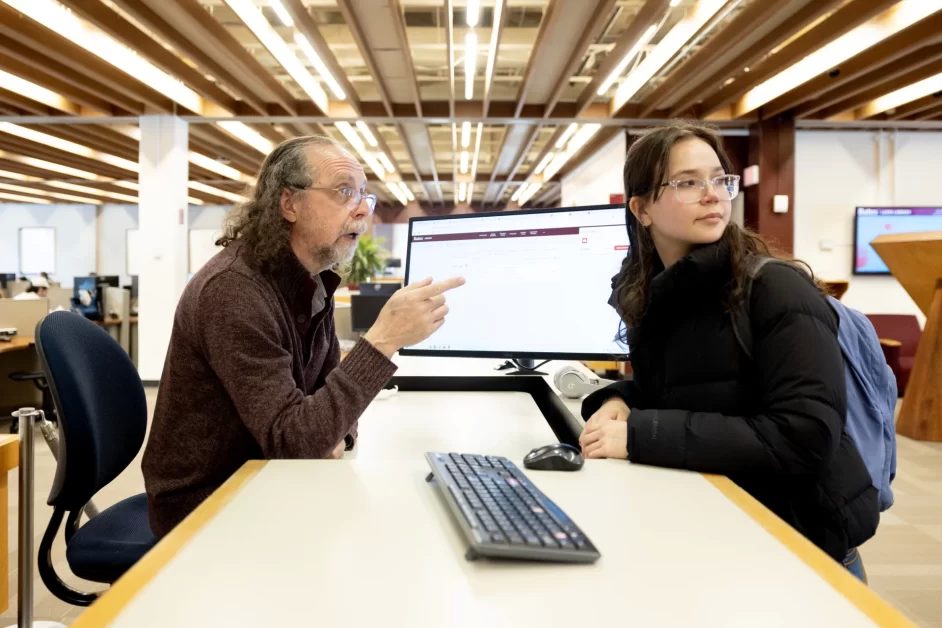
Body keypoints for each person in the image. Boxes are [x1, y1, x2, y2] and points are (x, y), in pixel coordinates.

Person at [577, 121, 878, 580]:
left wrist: (640, 434)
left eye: (720, 179)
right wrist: (620, 400)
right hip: (725, 531)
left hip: (802, 552)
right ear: (641, 210)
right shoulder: (656, 292)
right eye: (688, 182)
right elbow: (685, 393)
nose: (713, 194)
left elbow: (803, 437)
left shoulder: (775, 289)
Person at [143, 135, 464, 537]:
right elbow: (297, 441)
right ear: (289, 204)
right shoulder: (233, 291)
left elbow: (323, 417)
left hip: (268, 480)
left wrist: (324, 430)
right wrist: (382, 341)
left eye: (365, 195)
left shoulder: (310, 282)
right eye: (344, 192)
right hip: (208, 506)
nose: (362, 210)